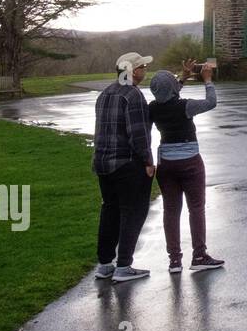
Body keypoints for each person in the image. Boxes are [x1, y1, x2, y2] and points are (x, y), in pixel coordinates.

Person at [149, 59, 224, 274]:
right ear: (173, 88)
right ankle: (199, 254)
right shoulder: (186, 106)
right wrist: (207, 80)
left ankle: (174, 260)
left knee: (171, 210)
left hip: (166, 164)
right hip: (190, 161)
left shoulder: (153, 108)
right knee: (196, 208)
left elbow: (168, 94)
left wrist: (182, 77)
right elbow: (211, 102)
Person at [92, 52, 155, 284]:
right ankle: (124, 265)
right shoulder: (133, 95)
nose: (145, 71)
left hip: (102, 162)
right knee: (133, 211)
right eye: (142, 67)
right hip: (127, 164)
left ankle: (105, 263)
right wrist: (148, 162)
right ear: (133, 71)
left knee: (110, 210)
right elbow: (138, 135)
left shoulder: (105, 93)